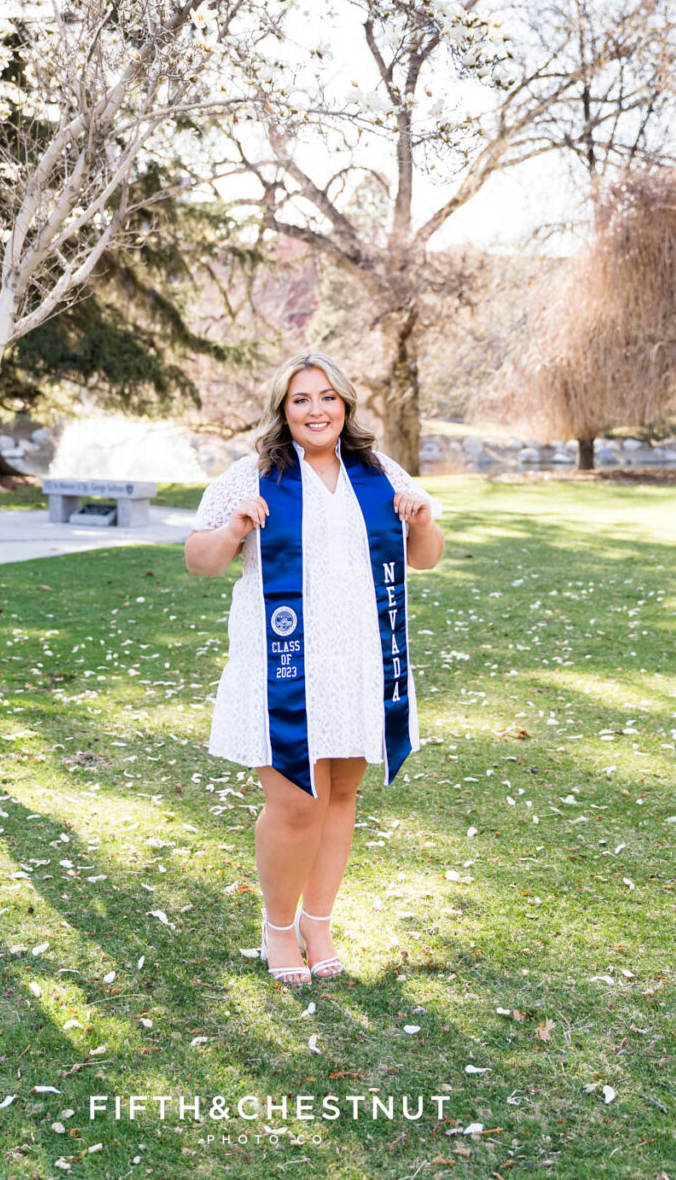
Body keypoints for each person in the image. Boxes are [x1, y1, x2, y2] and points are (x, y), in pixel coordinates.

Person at [184, 351, 444, 987]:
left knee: (342, 795)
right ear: (283, 409)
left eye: (327, 397)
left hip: (360, 662)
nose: (316, 409)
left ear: (347, 405)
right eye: (301, 399)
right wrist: (235, 527)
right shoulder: (250, 477)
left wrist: (423, 520)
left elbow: (427, 558)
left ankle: (317, 921)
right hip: (283, 666)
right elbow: (199, 560)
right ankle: (277, 928)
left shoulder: (381, 473)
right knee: (298, 802)